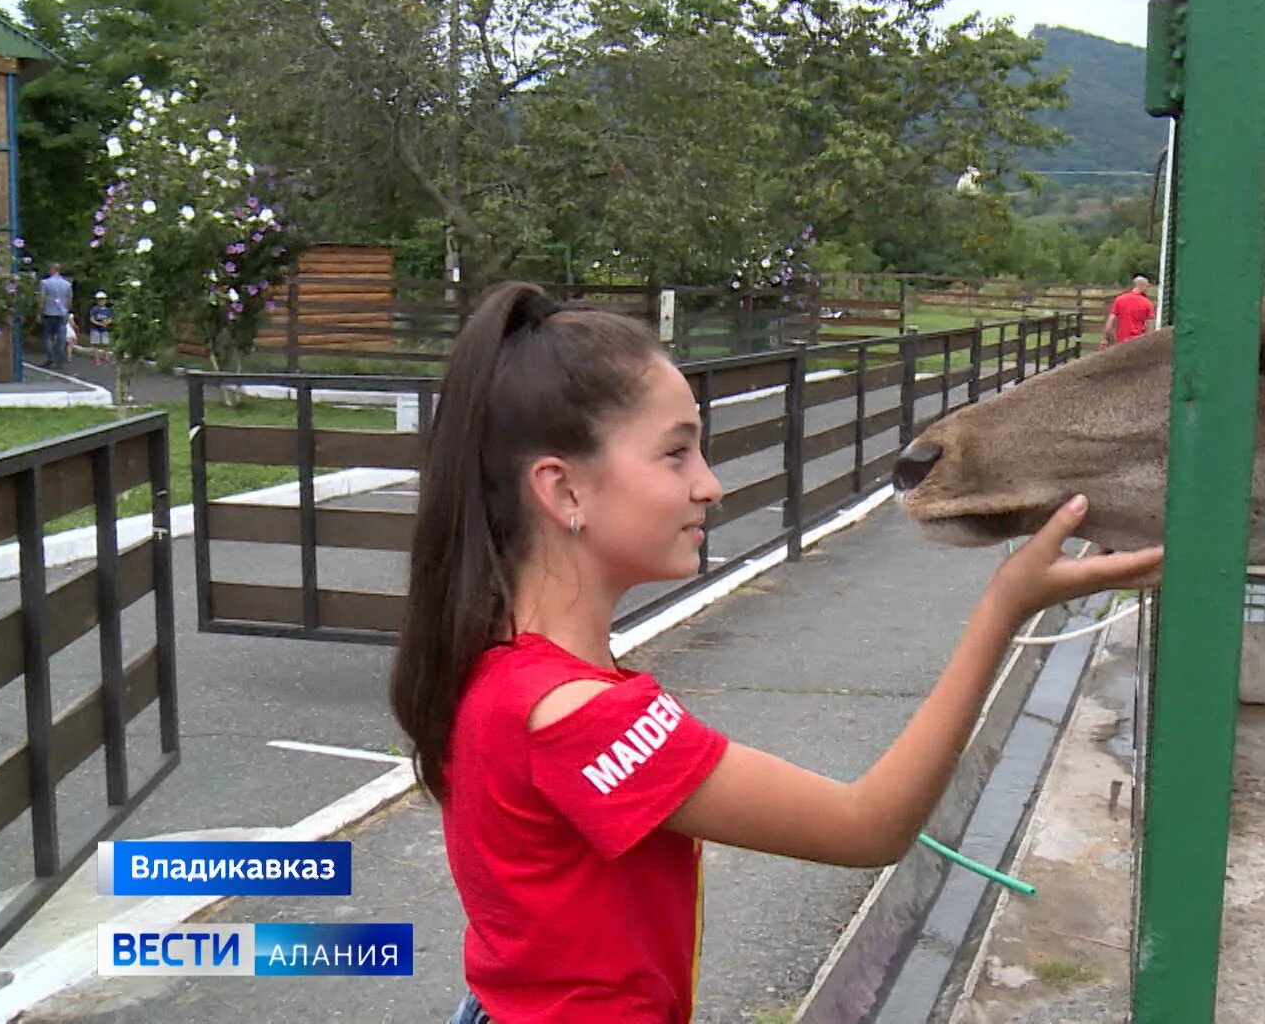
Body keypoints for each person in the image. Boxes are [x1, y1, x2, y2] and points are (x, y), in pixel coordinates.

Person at [391, 283, 1162, 1024]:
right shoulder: (585, 718)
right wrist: (1004, 606)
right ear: (563, 491)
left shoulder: (496, 672)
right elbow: (868, 826)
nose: (711, 485)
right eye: (676, 454)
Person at [1102, 274, 1155, 347]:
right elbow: (1150, 328)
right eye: (1147, 286)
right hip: (1138, 343)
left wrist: (1105, 339)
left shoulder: (1119, 300)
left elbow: (1110, 322)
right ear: (1141, 286)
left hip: (1121, 343)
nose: (1147, 289)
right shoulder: (1147, 303)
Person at [38, 263, 73, 368]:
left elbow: (42, 299)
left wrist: (39, 313)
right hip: (62, 313)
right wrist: (67, 311)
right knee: (61, 338)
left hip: (49, 313)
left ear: (52, 270)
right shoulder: (67, 284)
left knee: (47, 336)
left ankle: (50, 358)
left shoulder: (45, 283)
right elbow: (69, 300)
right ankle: (59, 360)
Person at [87, 291, 113, 365]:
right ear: (97, 300)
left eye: (103, 299)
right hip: (95, 328)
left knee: (106, 344)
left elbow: (110, 319)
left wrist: (106, 323)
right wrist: (99, 324)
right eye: (100, 299)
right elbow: (92, 319)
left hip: (104, 329)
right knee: (96, 344)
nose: (101, 301)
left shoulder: (107, 310)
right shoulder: (94, 309)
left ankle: (106, 358)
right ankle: (97, 359)